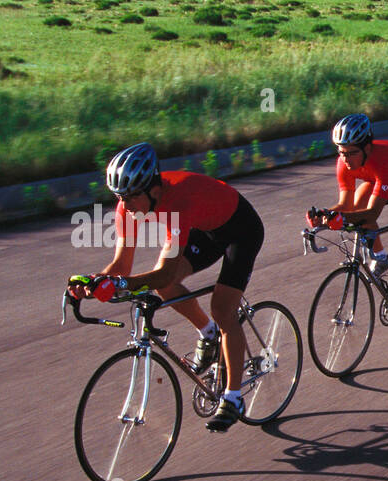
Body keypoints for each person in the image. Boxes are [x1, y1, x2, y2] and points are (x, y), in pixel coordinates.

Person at [68, 142, 264, 432]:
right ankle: (209, 335)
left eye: (132, 196)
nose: (126, 204)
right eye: (120, 196)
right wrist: (94, 281)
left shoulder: (178, 203)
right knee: (166, 288)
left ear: (154, 190)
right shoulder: (128, 206)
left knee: (222, 309)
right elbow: (121, 265)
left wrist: (121, 284)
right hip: (206, 228)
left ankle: (233, 398)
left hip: (241, 230)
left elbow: (163, 273)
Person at [306, 114, 388, 340]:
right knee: (356, 204)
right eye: (341, 152)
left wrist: (342, 219)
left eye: (352, 153)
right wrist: (326, 215)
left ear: (367, 147)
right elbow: (345, 205)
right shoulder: (344, 162)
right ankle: (380, 256)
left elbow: (372, 214)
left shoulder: (383, 160)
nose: (346, 159)